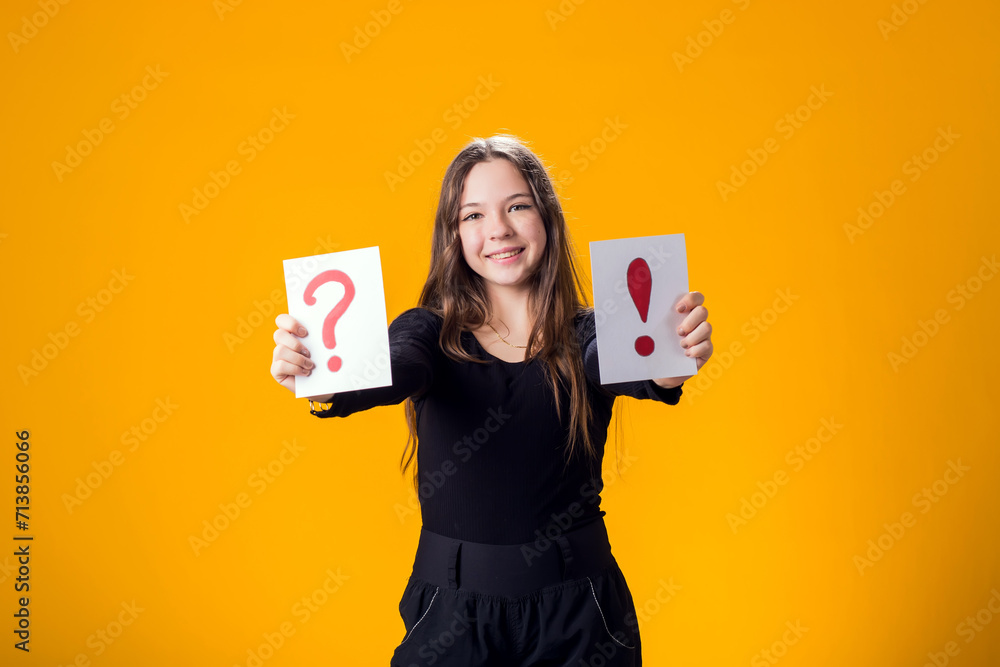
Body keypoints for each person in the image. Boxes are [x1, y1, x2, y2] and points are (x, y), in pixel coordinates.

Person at [270, 134, 712, 665]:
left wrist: (671, 359)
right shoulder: (429, 333)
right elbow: (394, 368)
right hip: (451, 611)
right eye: (472, 216)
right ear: (452, 236)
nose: (498, 229)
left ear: (546, 216)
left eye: (517, 206)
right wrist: (324, 377)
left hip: (580, 610)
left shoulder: (589, 333)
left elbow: (620, 365)